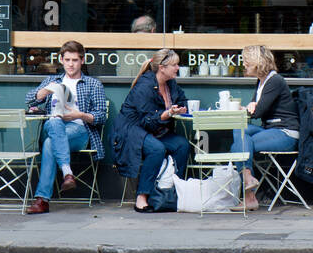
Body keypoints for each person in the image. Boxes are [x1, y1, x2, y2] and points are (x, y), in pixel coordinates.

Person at [24, 40, 108, 215]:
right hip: (54, 125)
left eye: (75, 60)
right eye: (67, 60)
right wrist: (46, 91)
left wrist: (80, 115)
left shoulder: (93, 84)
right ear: (61, 60)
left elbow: (101, 116)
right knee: (54, 121)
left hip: (78, 130)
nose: (71, 64)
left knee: (49, 144)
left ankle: (42, 200)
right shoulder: (52, 80)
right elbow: (30, 100)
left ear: (82, 61)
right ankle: (67, 172)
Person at [110, 48, 191, 212]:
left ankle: (172, 193)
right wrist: (167, 113)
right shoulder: (145, 86)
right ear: (162, 68)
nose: (177, 68)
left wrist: (180, 109)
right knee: (156, 149)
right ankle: (142, 196)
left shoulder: (171, 84)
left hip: (156, 130)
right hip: (131, 130)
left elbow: (183, 100)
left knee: (182, 145)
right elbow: (146, 120)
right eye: (174, 65)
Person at [231, 45, 299, 212]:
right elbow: (254, 109)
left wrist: (250, 107)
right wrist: (250, 107)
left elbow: (257, 111)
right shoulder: (261, 82)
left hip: (285, 133)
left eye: (247, 61)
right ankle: (249, 182)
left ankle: (249, 194)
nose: (244, 64)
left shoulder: (275, 81)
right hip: (270, 130)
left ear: (257, 62)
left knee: (240, 144)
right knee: (240, 131)